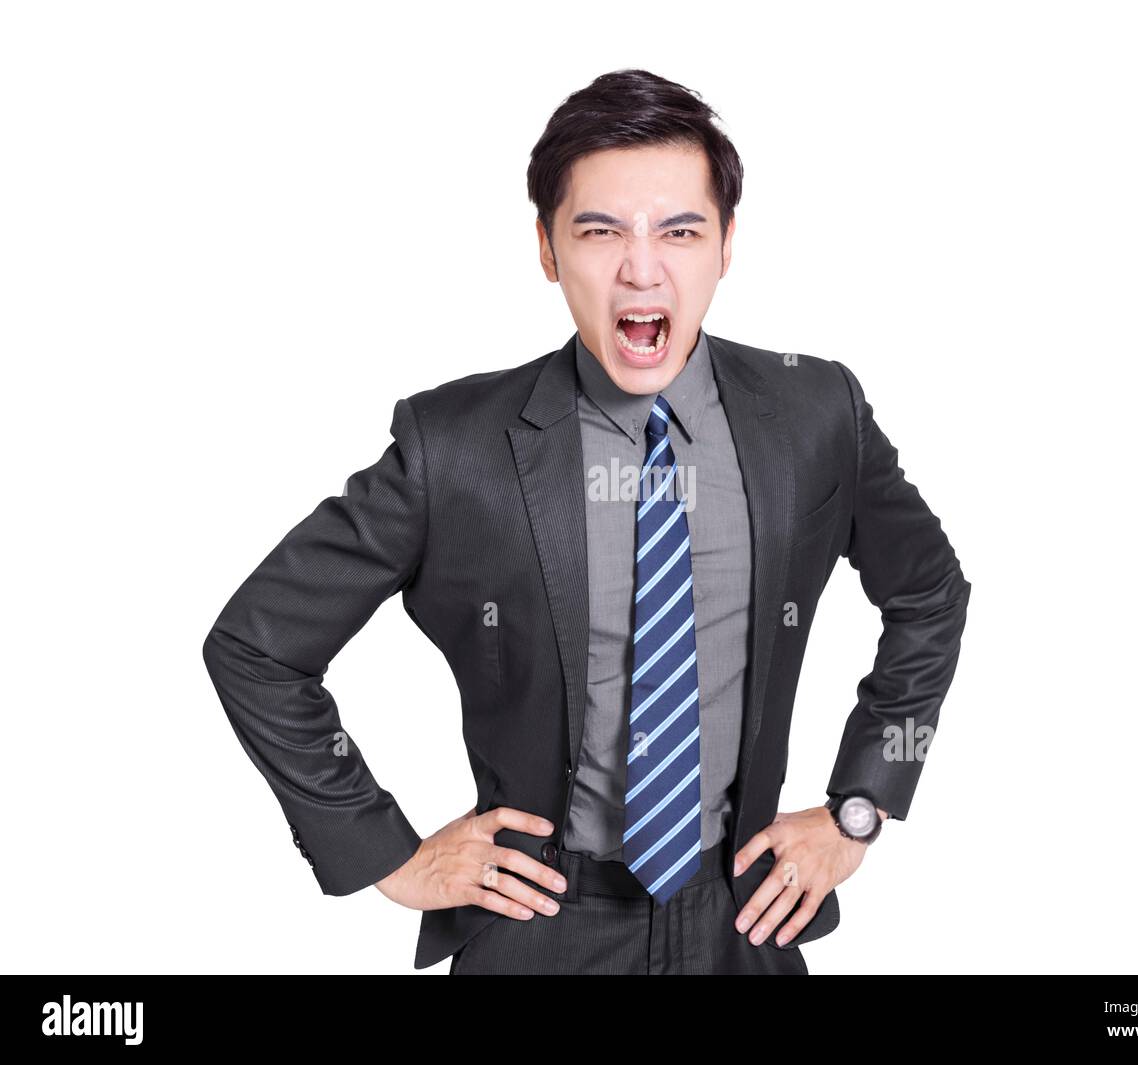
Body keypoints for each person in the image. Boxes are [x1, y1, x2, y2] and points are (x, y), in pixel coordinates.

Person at [202, 68, 971, 975]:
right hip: (539, 926)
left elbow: (927, 593)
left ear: (726, 244)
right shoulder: (452, 446)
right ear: (546, 248)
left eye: (679, 231)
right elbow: (257, 646)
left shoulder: (814, 414)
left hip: (747, 918)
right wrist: (389, 855)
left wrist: (860, 807)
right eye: (600, 231)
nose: (641, 267)